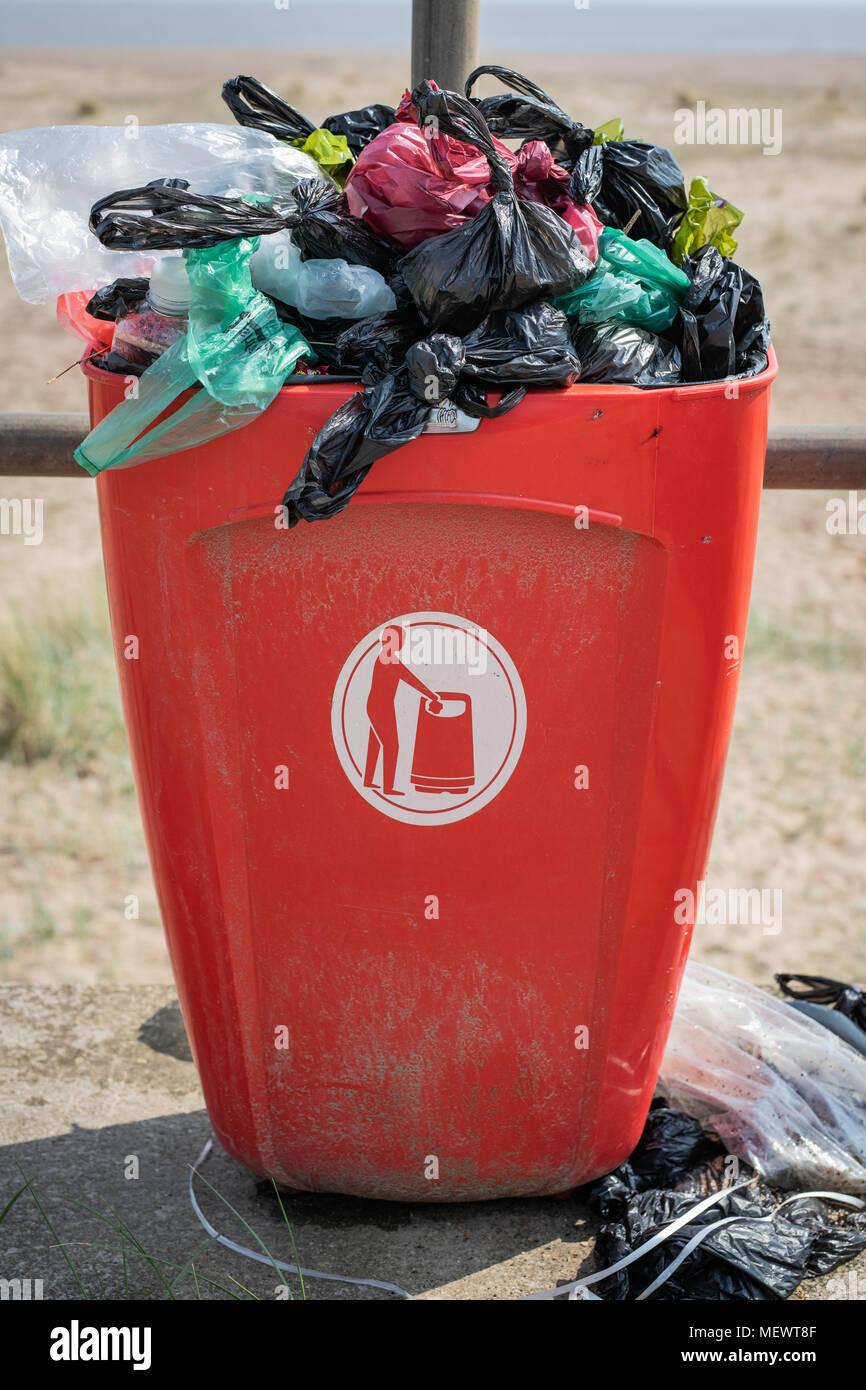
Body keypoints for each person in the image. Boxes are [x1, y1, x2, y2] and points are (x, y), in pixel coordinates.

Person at [364, 626, 440, 795]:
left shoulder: (384, 657)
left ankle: (368, 781)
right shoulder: (389, 659)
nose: (404, 643)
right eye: (401, 639)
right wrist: (432, 696)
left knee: (375, 742)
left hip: (375, 705)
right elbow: (409, 678)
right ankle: (388, 788)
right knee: (392, 746)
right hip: (382, 707)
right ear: (392, 640)